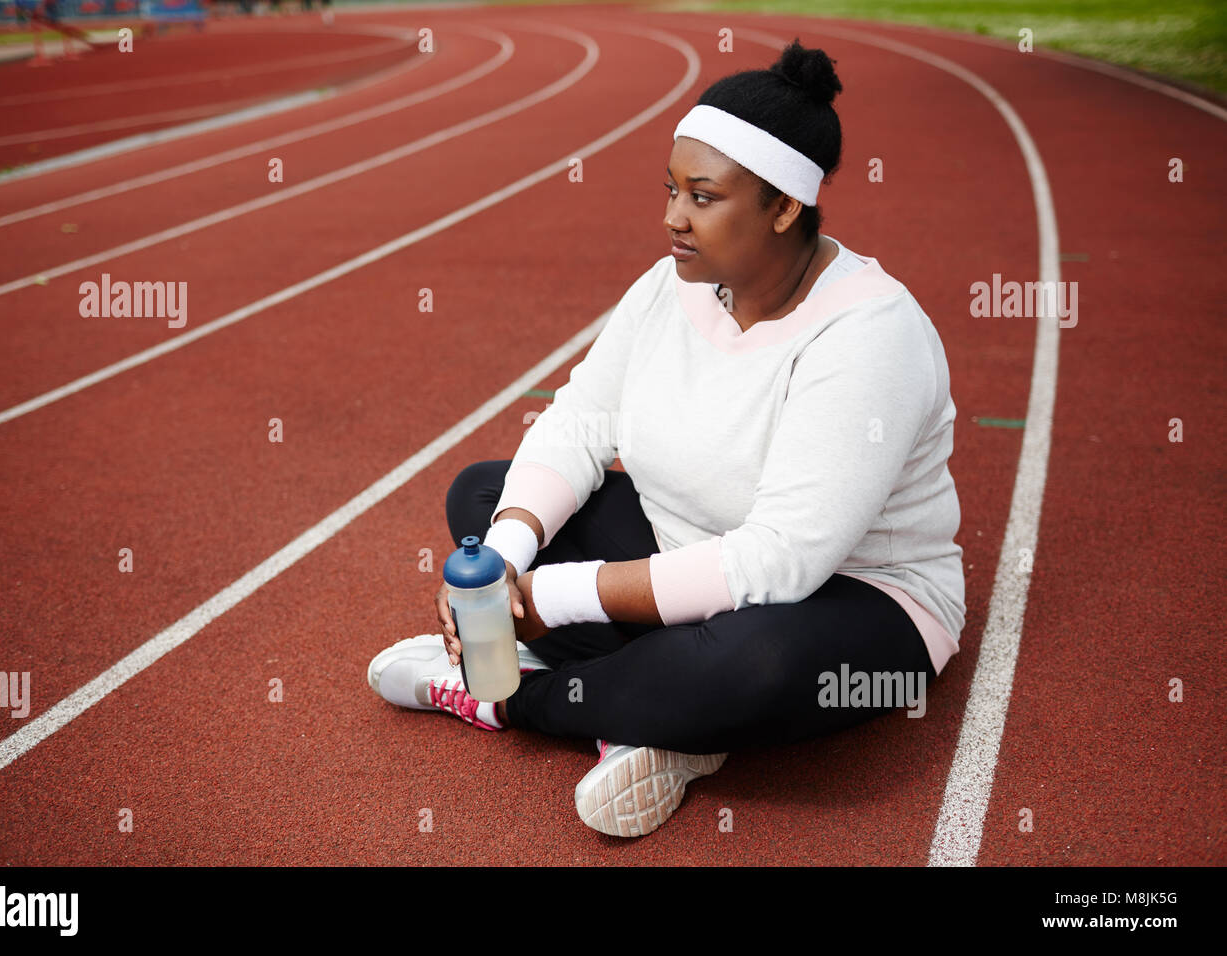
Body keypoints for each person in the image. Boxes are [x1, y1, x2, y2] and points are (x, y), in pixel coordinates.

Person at [368, 40, 966, 838]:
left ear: (784, 207)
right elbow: (580, 420)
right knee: (483, 496)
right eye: (671, 189)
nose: (672, 217)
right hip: (682, 554)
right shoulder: (669, 285)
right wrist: (508, 562)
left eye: (703, 197)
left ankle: (509, 697)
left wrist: (548, 598)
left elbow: (779, 562)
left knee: (752, 665)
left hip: (849, 604)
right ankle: (658, 715)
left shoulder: (868, 335)